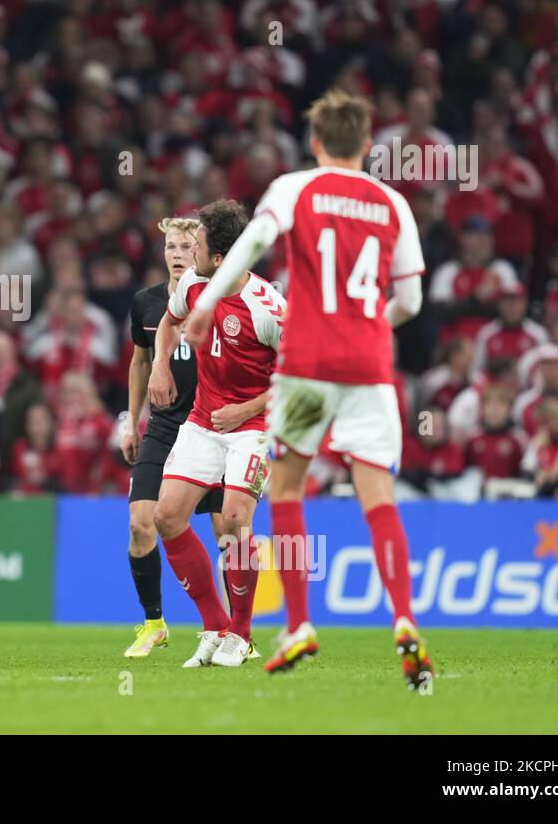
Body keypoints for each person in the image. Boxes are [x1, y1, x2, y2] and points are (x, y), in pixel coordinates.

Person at [185, 90, 434, 689]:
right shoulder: (394, 203)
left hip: (306, 364)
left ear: (316, 142)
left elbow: (251, 245)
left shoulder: (295, 189)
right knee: (378, 496)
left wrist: (210, 299)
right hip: (369, 365)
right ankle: (404, 619)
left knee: (290, 486)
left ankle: (298, 622)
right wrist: (372, 323)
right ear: (369, 145)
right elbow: (412, 300)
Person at [150, 200, 284, 668]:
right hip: (204, 420)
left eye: (198, 246)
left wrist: (245, 409)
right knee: (165, 516)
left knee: (232, 522)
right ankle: (214, 626)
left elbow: (299, 378)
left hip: (253, 425)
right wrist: (160, 365)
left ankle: (242, 636)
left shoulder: (268, 308)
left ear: (222, 258)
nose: (187, 253)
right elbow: (169, 321)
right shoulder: (193, 286)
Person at [118, 216, 225, 659]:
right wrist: (131, 420)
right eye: (171, 247)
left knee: (230, 535)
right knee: (141, 524)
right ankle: (154, 623)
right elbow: (140, 362)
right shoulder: (145, 304)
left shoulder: (218, 299)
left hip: (215, 428)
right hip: (162, 427)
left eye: (186, 246)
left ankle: (233, 630)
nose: (178, 254)